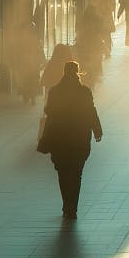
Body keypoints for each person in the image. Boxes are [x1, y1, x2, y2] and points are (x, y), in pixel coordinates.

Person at [41, 62, 103, 219]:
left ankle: (66, 204)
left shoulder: (55, 91)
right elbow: (91, 111)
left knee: (62, 173)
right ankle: (72, 207)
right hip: (80, 139)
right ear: (77, 72)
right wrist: (97, 130)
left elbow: (48, 111)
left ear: (64, 72)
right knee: (76, 174)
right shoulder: (84, 91)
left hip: (59, 139)